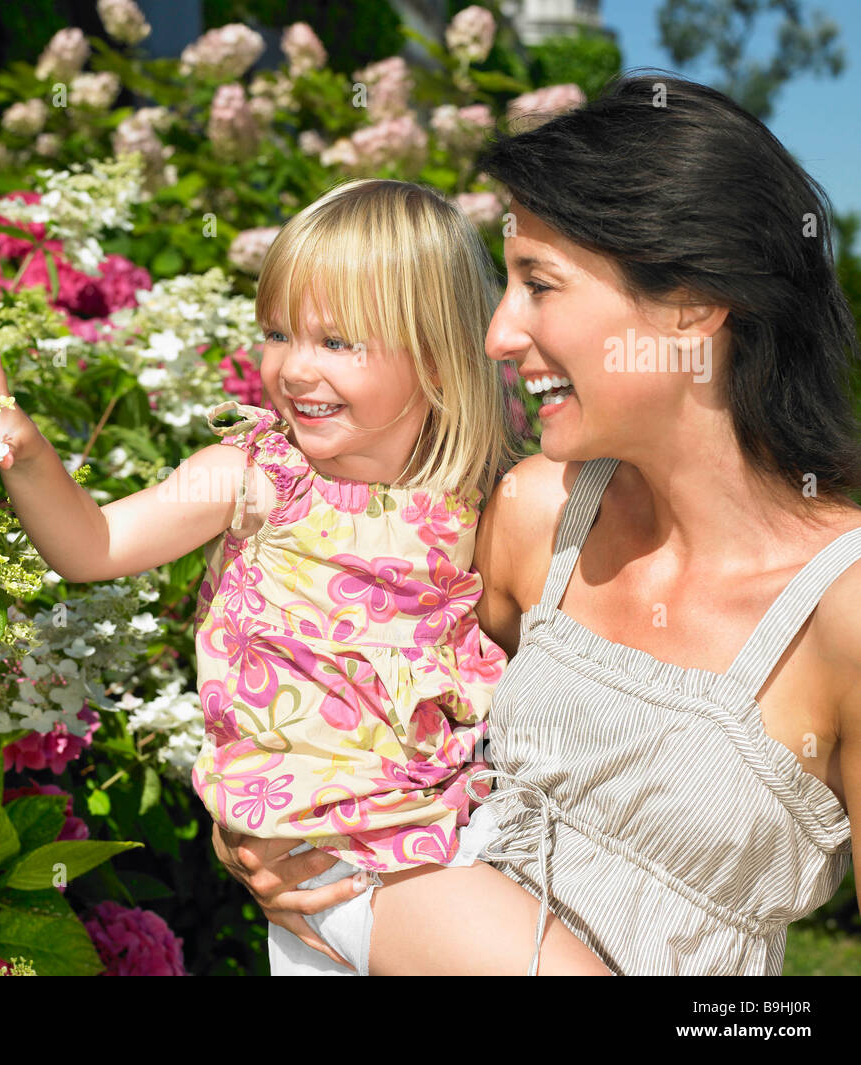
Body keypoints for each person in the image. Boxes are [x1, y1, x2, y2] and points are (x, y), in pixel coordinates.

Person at [214, 73, 861, 976]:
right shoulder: (535, 514)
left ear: (690, 305)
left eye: (539, 284)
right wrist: (270, 826)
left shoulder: (844, 608)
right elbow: (361, 701)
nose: (498, 334)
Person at [0, 177, 611, 976]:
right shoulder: (258, 477)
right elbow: (93, 544)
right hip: (336, 855)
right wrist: (27, 454)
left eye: (338, 341)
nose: (294, 368)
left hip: (442, 828)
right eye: (278, 333)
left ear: (440, 360)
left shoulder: (477, 503)